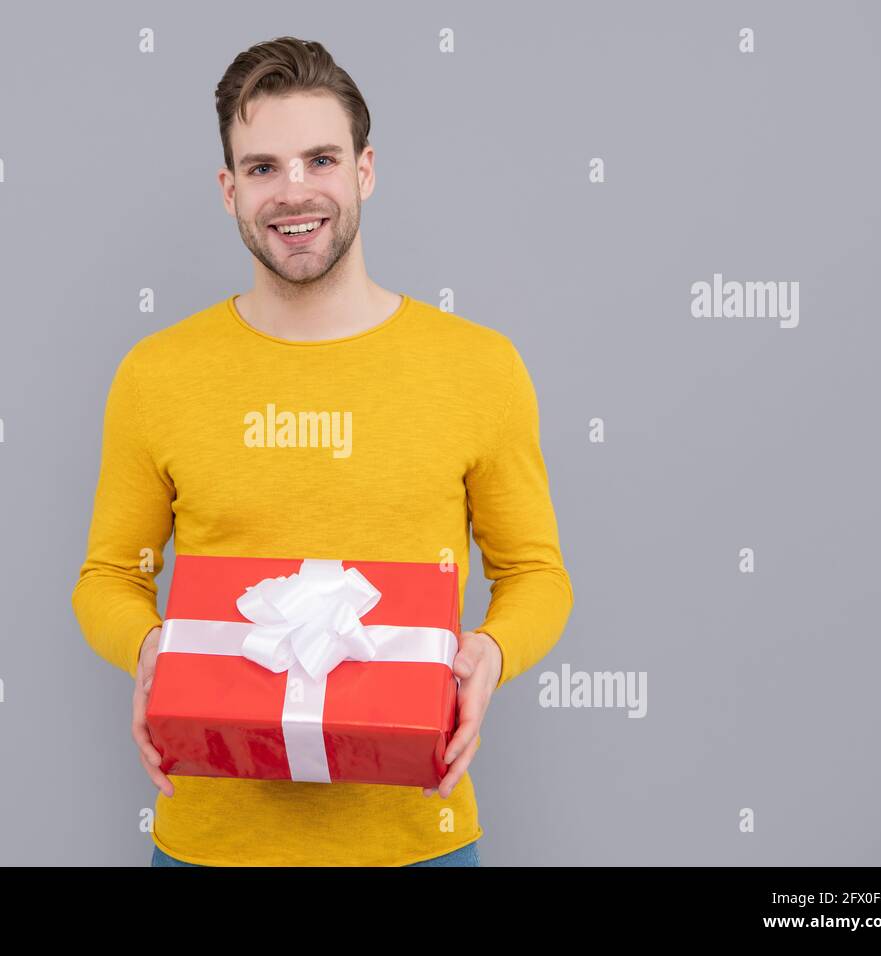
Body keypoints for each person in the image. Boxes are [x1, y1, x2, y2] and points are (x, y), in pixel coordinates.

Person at [72, 36, 574, 867]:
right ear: (230, 191)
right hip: (210, 844)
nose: (293, 191)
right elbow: (108, 577)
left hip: (417, 841)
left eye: (320, 159)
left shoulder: (478, 367)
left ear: (365, 170)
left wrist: (489, 652)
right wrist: (152, 648)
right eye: (263, 167)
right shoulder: (156, 375)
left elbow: (536, 574)